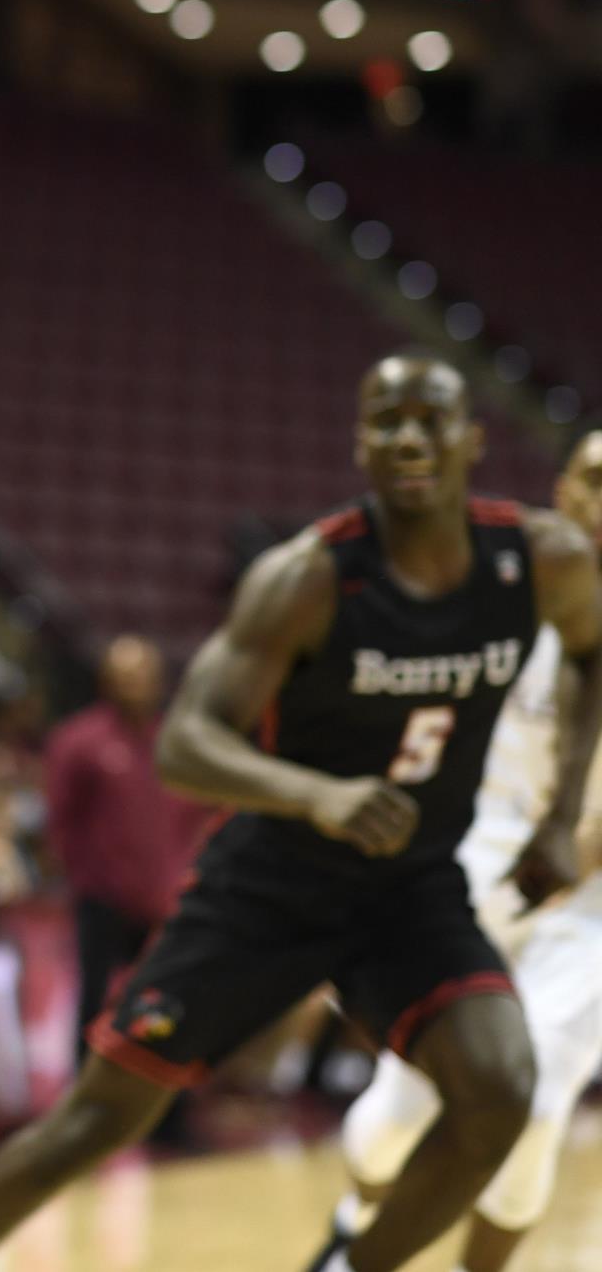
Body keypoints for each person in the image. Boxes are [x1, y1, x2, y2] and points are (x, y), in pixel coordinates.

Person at [0, 354, 602, 1272]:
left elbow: (595, 656)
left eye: (430, 420)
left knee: (505, 1087)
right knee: (97, 1120)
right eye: (386, 421)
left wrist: (562, 815)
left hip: (412, 892)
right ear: (360, 443)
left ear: (475, 441)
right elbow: (188, 742)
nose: (408, 438)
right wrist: (319, 794)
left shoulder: (535, 563)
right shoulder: (309, 578)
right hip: (274, 882)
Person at [313, 423, 602, 1272]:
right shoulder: (495, 590)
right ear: (561, 489)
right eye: (592, 477)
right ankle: (355, 1224)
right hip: (466, 872)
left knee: (538, 1086)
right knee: (405, 1100)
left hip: (589, 910)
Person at [45, 634, 209, 1065]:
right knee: (96, 1000)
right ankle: (83, 1101)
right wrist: (88, 880)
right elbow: (61, 821)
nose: (136, 684)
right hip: (103, 901)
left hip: (165, 901)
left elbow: (200, 817)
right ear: (107, 680)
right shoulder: (79, 741)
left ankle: (166, 1110)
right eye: (126, 676)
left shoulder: (174, 744)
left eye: (144, 675)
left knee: (163, 1005)